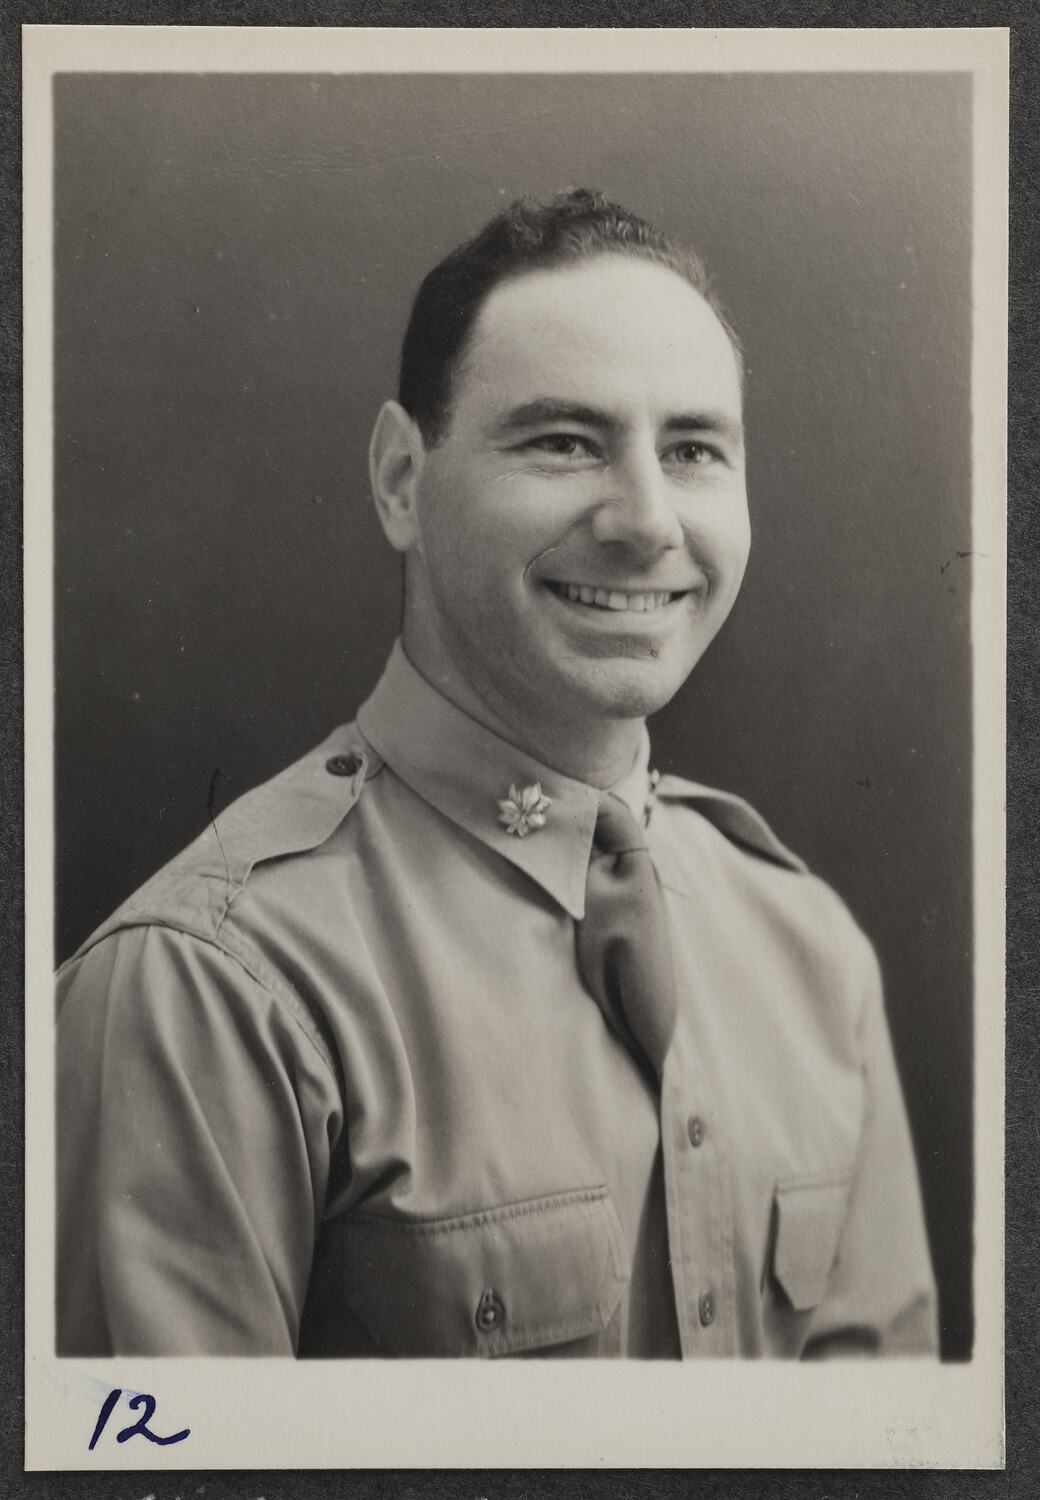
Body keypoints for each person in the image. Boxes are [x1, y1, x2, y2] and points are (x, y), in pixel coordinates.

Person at [56, 188, 938, 1359]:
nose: (643, 519)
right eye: (563, 441)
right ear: (398, 481)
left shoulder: (809, 949)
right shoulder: (207, 989)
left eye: (692, 450)